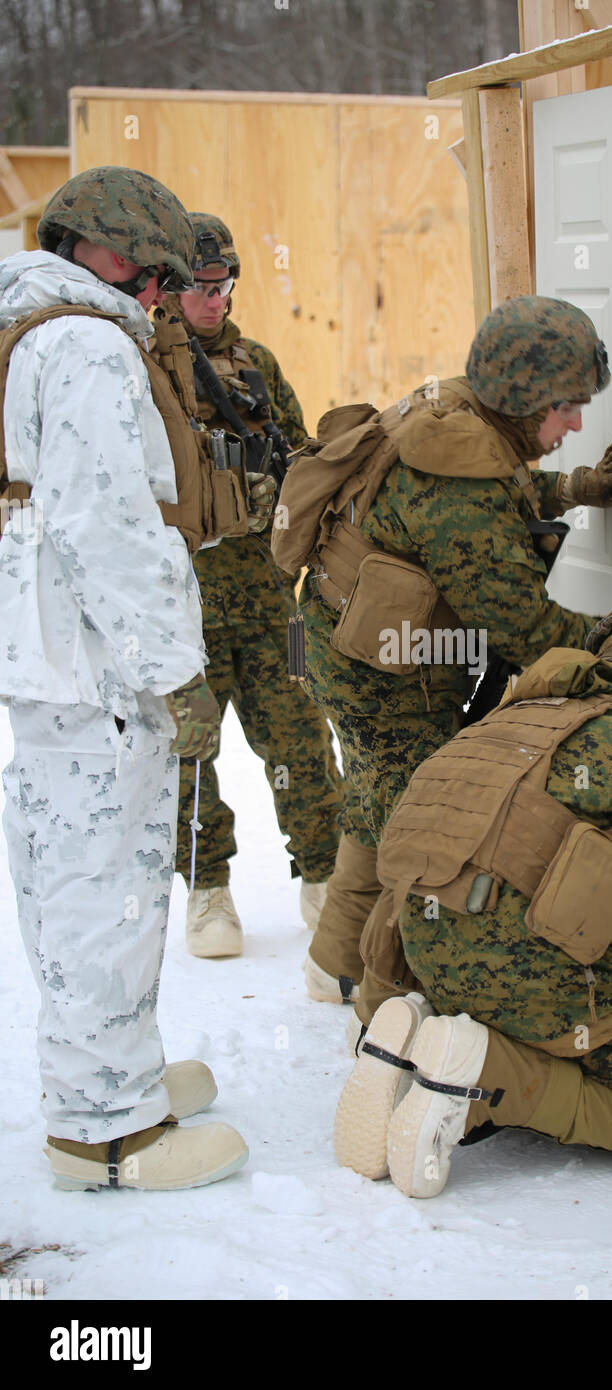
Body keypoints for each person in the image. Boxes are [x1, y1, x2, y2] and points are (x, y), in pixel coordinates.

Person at [272, 295, 612, 1019]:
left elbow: (498, 485)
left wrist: (569, 488)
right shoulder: (456, 465)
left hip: (348, 642)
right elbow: (518, 622)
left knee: (377, 793)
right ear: (523, 396)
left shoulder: (455, 410)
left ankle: (333, 961)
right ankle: (385, 993)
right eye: (565, 406)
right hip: (386, 668)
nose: (576, 423)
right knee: (417, 816)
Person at [334, 596, 612, 1197]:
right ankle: (478, 1072)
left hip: (423, 957)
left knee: (532, 1006)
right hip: (536, 979)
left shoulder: (506, 718)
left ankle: (420, 1037)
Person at [0, 167, 248, 1190]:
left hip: (59, 654)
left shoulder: (34, 331)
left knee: (81, 878)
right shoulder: (90, 348)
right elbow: (109, 526)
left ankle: (119, 1076)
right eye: (153, 273)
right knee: (104, 888)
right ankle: (104, 1132)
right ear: (115, 253)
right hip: (100, 664)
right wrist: (175, 675)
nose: (159, 292)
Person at [165, 213, 344, 957]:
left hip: (274, 607)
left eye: (225, 284)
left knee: (304, 739)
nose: (217, 299)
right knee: (188, 755)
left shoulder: (256, 364)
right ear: (170, 289)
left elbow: (302, 460)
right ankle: (208, 893)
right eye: (202, 287)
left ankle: (328, 880)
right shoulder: (146, 365)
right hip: (185, 609)